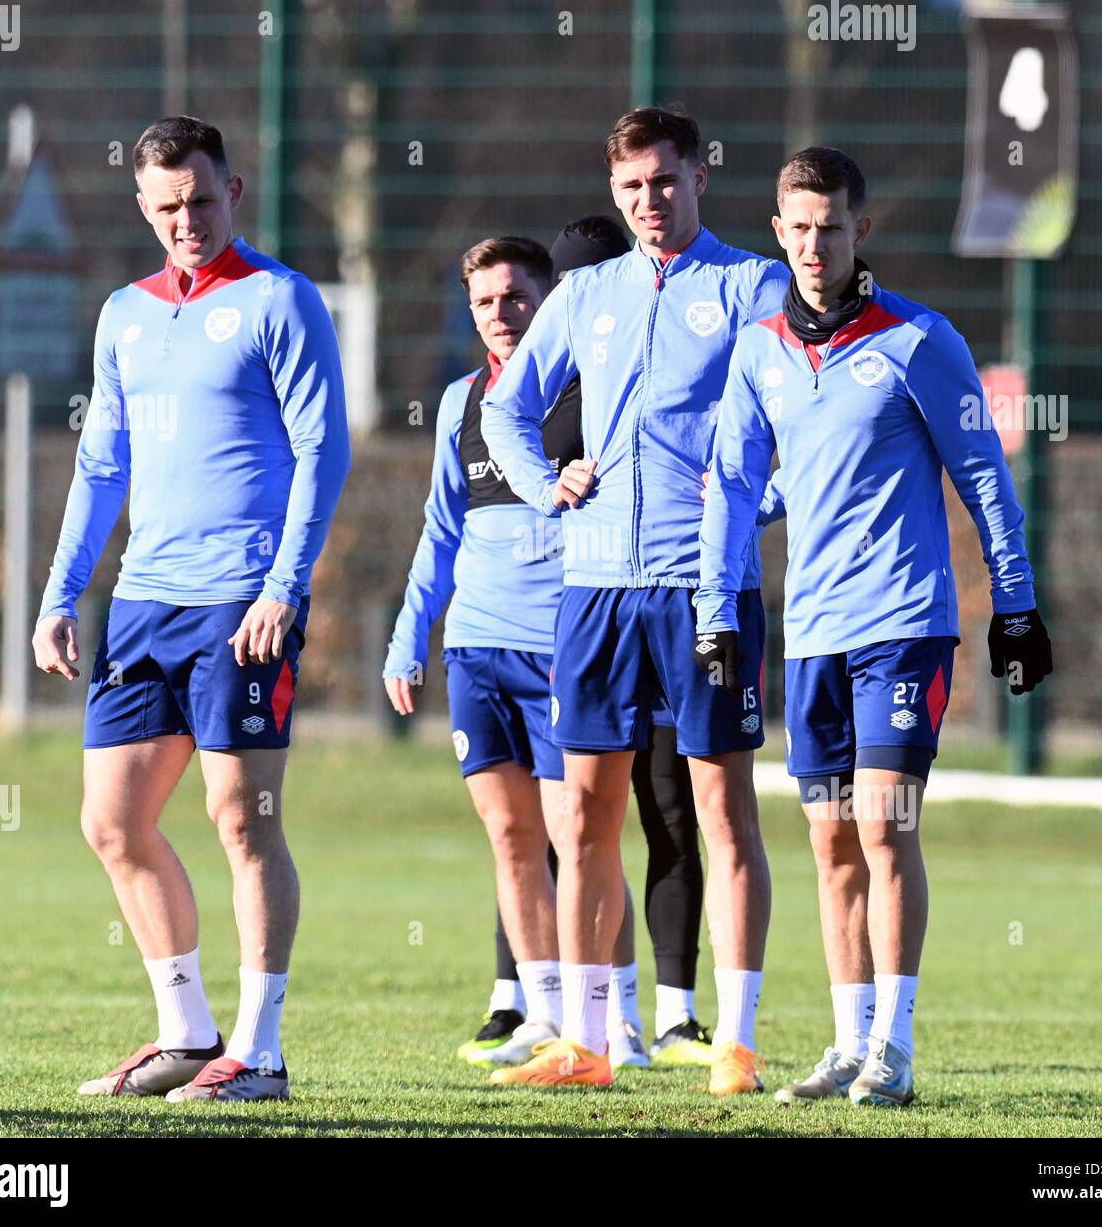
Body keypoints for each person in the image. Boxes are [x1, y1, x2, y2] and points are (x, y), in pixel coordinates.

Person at [696, 146, 1053, 1107]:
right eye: (799, 228)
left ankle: (893, 1046)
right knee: (829, 844)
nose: (815, 246)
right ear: (779, 231)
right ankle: (848, 1042)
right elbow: (730, 483)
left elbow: (981, 474)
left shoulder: (919, 339)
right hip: (809, 633)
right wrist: (715, 606)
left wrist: (1015, 606)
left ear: (864, 230)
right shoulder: (760, 349)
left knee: (885, 827)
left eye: (833, 227)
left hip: (903, 623)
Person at [32, 116, 351, 1103]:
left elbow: (322, 454)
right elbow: (101, 465)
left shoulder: (280, 301)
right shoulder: (124, 313)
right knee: (114, 821)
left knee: (241, 816)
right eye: (166, 205)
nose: (186, 220)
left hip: (241, 600)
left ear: (235, 190)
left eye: (202, 200)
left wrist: (282, 587)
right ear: (143, 205)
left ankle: (260, 1052)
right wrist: (59, 592)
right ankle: (184, 1032)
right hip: (143, 601)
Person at [481, 107, 790, 1093]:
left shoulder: (750, 284)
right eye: (629, 190)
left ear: (699, 176)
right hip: (596, 591)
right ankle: (586, 1041)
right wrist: (544, 483)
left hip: (710, 592)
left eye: (663, 182)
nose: (648, 203)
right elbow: (503, 406)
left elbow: (803, 427)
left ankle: (733, 1042)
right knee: (583, 818)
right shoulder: (584, 294)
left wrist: (746, 504)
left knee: (720, 812)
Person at [383, 236, 648, 1072]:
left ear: (550, 301)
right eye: (485, 301)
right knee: (509, 835)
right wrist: (408, 636)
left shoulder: (588, 393)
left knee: (583, 831)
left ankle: (619, 1018)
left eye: (517, 297)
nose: (501, 314)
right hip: (475, 647)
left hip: (562, 644)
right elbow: (439, 530)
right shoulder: (464, 403)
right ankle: (544, 1011)